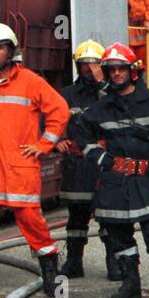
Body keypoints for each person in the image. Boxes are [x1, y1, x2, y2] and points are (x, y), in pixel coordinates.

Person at [0, 22, 69, 298]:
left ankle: (53, 279)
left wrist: (44, 144)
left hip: (19, 169)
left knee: (33, 223)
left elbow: (60, 110)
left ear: (11, 50)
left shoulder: (31, 82)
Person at [68, 43, 149, 298]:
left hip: (144, 179)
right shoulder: (104, 107)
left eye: (121, 69)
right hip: (114, 182)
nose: (116, 74)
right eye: (111, 70)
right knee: (118, 235)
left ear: (132, 71)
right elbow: (79, 130)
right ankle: (130, 286)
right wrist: (99, 157)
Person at [55, 40, 112, 281]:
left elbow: (119, 110)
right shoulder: (68, 94)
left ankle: (116, 262)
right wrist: (56, 139)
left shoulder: (111, 92)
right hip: (78, 165)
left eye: (94, 65)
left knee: (110, 216)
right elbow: (51, 117)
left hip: (104, 164)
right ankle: (74, 262)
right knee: (76, 217)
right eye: (84, 66)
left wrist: (102, 83)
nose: (89, 70)